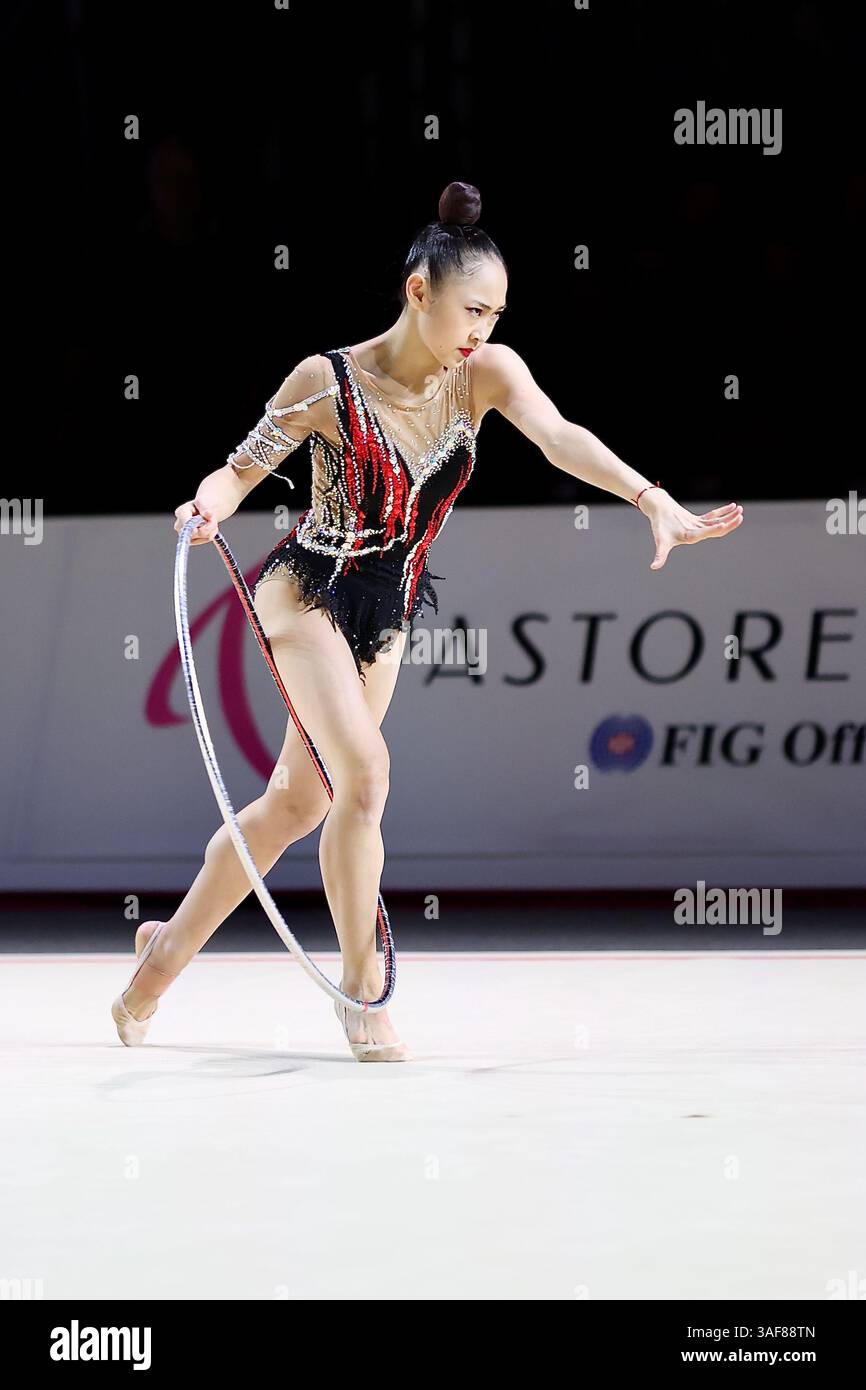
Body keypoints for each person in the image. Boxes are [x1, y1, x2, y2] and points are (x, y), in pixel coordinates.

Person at [112, 180, 743, 1061]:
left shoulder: (487, 373)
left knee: (298, 801)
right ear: (419, 291)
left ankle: (156, 963)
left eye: (496, 313)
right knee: (363, 777)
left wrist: (650, 497)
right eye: (472, 310)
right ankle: (365, 992)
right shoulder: (327, 379)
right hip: (304, 594)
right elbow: (242, 468)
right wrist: (206, 507)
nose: (483, 330)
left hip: (388, 611)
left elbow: (559, 436)